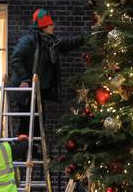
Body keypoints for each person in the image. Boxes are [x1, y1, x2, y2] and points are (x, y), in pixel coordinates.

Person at [7, 8, 86, 144]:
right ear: (43, 27)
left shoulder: (50, 42)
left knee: (39, 119)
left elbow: (66, 44)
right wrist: (25, 78)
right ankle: (24, 150)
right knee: (27, 120)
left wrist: (84, 38)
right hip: (26, 89)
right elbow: (15, 58)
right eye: (50, 24)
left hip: (38, 89)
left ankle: (34, 149)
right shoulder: (28, 41)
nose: (53, 26)